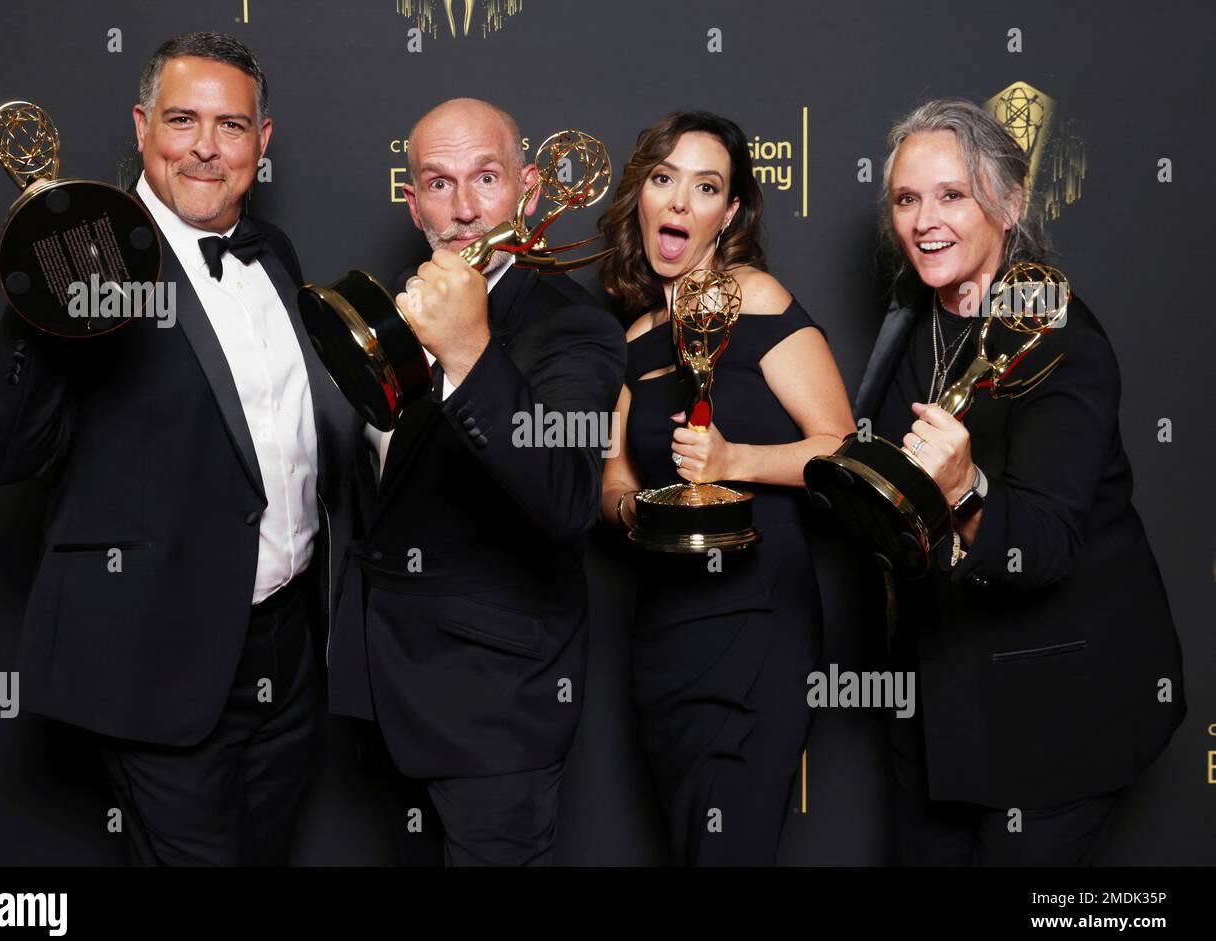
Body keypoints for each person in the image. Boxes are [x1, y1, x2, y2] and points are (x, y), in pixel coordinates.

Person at [0, 32, 354, 865]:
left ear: (264, 140)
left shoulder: (274, 256)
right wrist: (36, 293)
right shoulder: (93, 263)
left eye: (232, 126)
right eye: (183, 120)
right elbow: (2, 454)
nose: (207, 149)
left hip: (288, 657)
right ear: (142, 127)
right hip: (159, 656)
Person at [855, 98, 1186, 865]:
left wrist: (965, 486)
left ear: (1009, 205)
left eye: (951, 195)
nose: (923, 220)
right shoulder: (915, 315)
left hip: (1058, 710)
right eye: (906, 199)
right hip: (937, 702)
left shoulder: (1064, 343)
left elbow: (1041, 549)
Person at [325, 97, 626, 866]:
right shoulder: (406, 297)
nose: (463, 210)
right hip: (383, 693)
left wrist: (471, 353)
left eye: (485, 179)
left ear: (527, 191)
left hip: (496, 710)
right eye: (439, 183)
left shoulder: (574, 327)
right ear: (412, 200)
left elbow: (565, 501)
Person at [597, 111, 855, 865]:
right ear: (640, 195)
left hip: (757, 617)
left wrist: (733, 459)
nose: (679, 203)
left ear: (729, 213)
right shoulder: (633, 334)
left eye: (705, 187)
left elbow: (843, 451)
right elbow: (615, 472)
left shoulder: (760, 298)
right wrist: (634, 512)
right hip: (665, 628)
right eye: (663, 179)